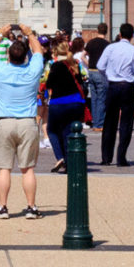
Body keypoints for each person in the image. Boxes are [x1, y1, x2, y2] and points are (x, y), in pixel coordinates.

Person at [0, 23, 45, 219]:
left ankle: (3, 207)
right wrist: (29, 33)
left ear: (9, 56)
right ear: (25, 56)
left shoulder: (0, 70)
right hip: (27, 121)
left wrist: (0, 34)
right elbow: (38, 51)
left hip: (4, 121)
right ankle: (31, 207)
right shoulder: (33, 70)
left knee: (4, 168)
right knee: (27, 169)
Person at [93, 22, 134, 167]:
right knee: (126, 123)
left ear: (120, 34)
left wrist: (107, 78)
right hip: (127, 86)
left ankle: (106, 157)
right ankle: (121, 157)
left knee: (109, 121)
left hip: (113, 86)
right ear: (132, 36)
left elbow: (100, 66)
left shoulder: (110, 48)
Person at [41, 41, 88, 173]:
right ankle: (69, 161)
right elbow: (83, 78)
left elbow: (48, 83)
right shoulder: (76, 64)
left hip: (59, 102)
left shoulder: (54, 65)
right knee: (68, 131)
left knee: (52, 130)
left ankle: (60, 157)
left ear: (56, 52)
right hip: (76, 102)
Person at [83, 26, 111, 131]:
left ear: (97, 31)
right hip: (100, 72)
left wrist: (89, 64)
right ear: (106, 31)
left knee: (94, 98)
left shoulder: (91, 42)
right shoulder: (107, 45)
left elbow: (83, 55)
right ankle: (100, 124)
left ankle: (95, 122)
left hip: (91, 71)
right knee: (101, 98)